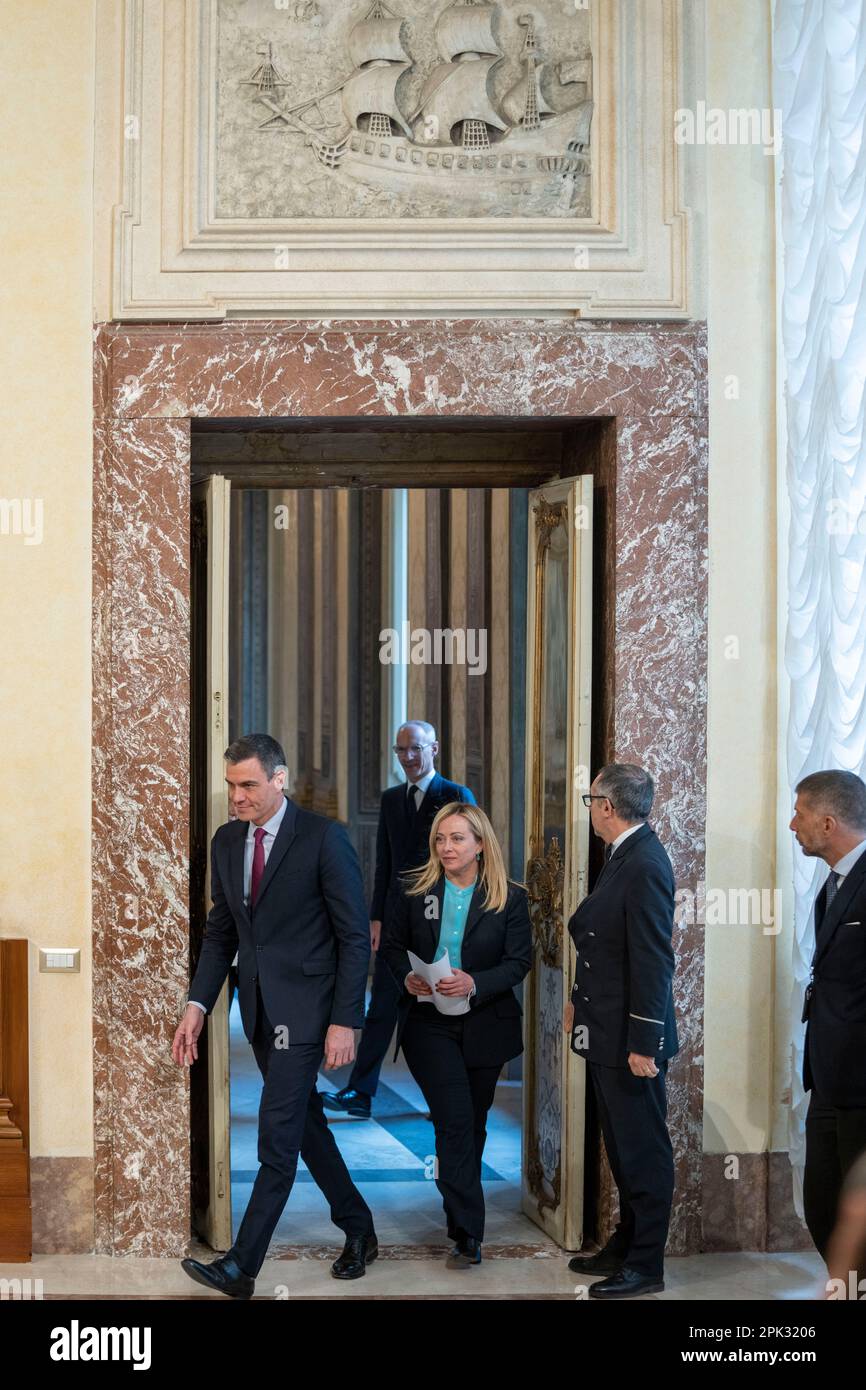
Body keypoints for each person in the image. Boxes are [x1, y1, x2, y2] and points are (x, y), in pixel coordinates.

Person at [171, 734, 376, 1299]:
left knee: (277, 1134)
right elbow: (221, 933)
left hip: (310, 1014)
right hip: (260, 1011)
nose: (237, 796)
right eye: (231, 785)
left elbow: (354, 937)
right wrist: (198, 1005)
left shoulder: (323, 839)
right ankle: (359, 1227)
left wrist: (345, 1020)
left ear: (279, 780)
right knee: (305, 1124)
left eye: (248, 785)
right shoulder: (225, 842)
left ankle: (242, 1266)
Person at [380, 802, 532, 1268]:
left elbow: (518, 962)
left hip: (487, 1023)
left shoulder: (511, 896)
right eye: (441, 839)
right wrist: (406, 977)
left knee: (474, 1121)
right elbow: (389, 949)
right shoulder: (412, 889)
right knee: (454, 1120)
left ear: (480, 844)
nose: (446, 847)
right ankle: (468, 1231)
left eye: (457, 839)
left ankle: (457, 1209)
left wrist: (474, 982)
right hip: (429, 1023)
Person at [323, 721, 475, 1118]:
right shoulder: (391, 799)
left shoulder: (455, 796)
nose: (408, 757)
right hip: (395, 922)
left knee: (439, 1008)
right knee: (382, 1007)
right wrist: (375, 918)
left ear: (434, 749)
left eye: (416, 749)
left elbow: (472, 862)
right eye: (401, 750)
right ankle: (360, 1093)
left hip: (439, 920)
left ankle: (447, 1097)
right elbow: (385, 864)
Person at [565, 763, 678, 1300]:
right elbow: (604, 946)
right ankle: (625, 1245)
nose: (590, 810)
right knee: (621, 1145)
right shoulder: (624, 854)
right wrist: (577, 1006)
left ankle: (646, 1265)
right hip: (604, 1027)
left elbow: (655, 961)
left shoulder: (646, 863)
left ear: (607, 807)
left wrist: (643, 1044)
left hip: (629, 1040)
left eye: (592, 801)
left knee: (643, 1152)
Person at [790, 770, 866, 1270]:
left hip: (863, 1081)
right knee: (821, 1206)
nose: (792, 825)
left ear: (828, 821)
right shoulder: (833, 883)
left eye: (799, 814)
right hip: (828, 1076)